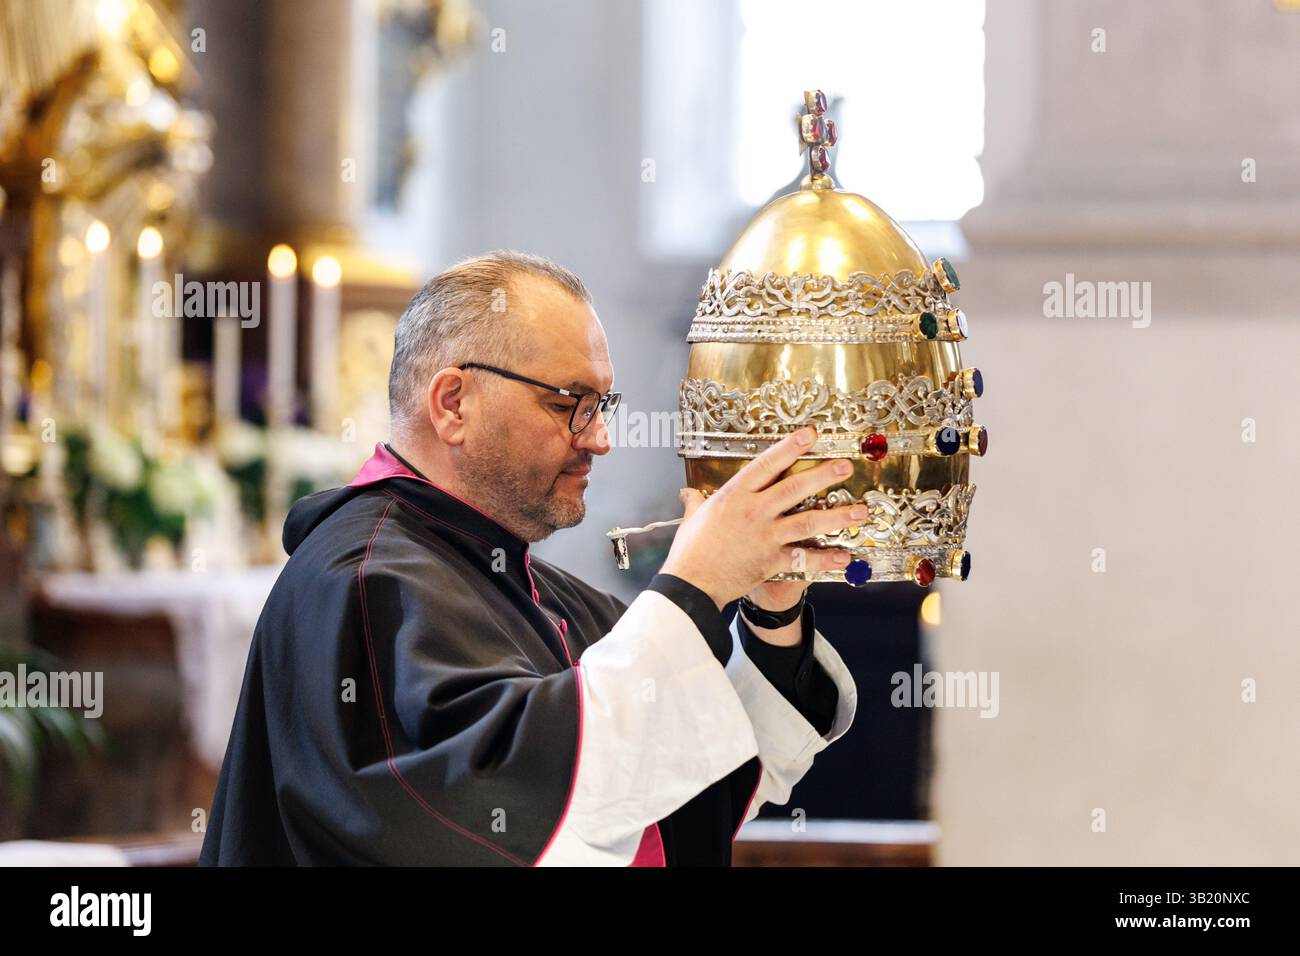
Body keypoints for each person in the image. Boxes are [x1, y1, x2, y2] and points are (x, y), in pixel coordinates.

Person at [200, 251, 860, 866]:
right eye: (569, 403)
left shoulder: (540, 590)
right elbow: (506, 805)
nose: (599, 438)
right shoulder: (364, 581)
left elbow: (678, 790)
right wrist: (696, 582)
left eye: (602, 405)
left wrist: (772, 616)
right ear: (453, 403)